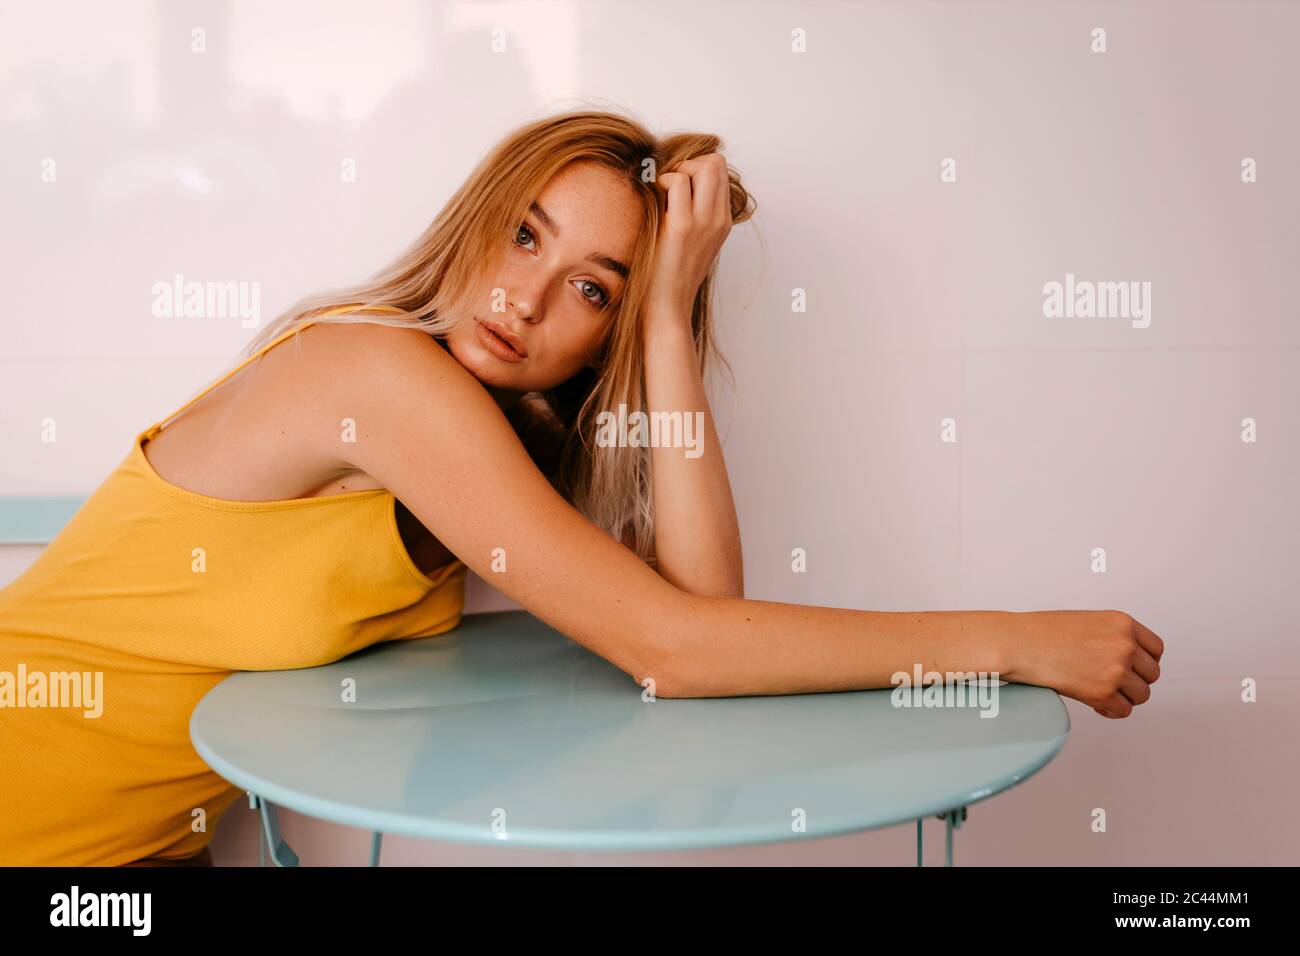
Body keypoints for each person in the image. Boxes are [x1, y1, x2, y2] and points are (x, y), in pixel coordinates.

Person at [0, 109, 1162, 866]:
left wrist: (665, 311)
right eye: (521, 236)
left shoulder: (482, 437)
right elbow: (682, 650)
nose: (525, 298)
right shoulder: (376, 376)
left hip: (135, 856)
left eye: (590, 290)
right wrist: (1018, 639)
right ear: (472, 222)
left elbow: (704, 601)